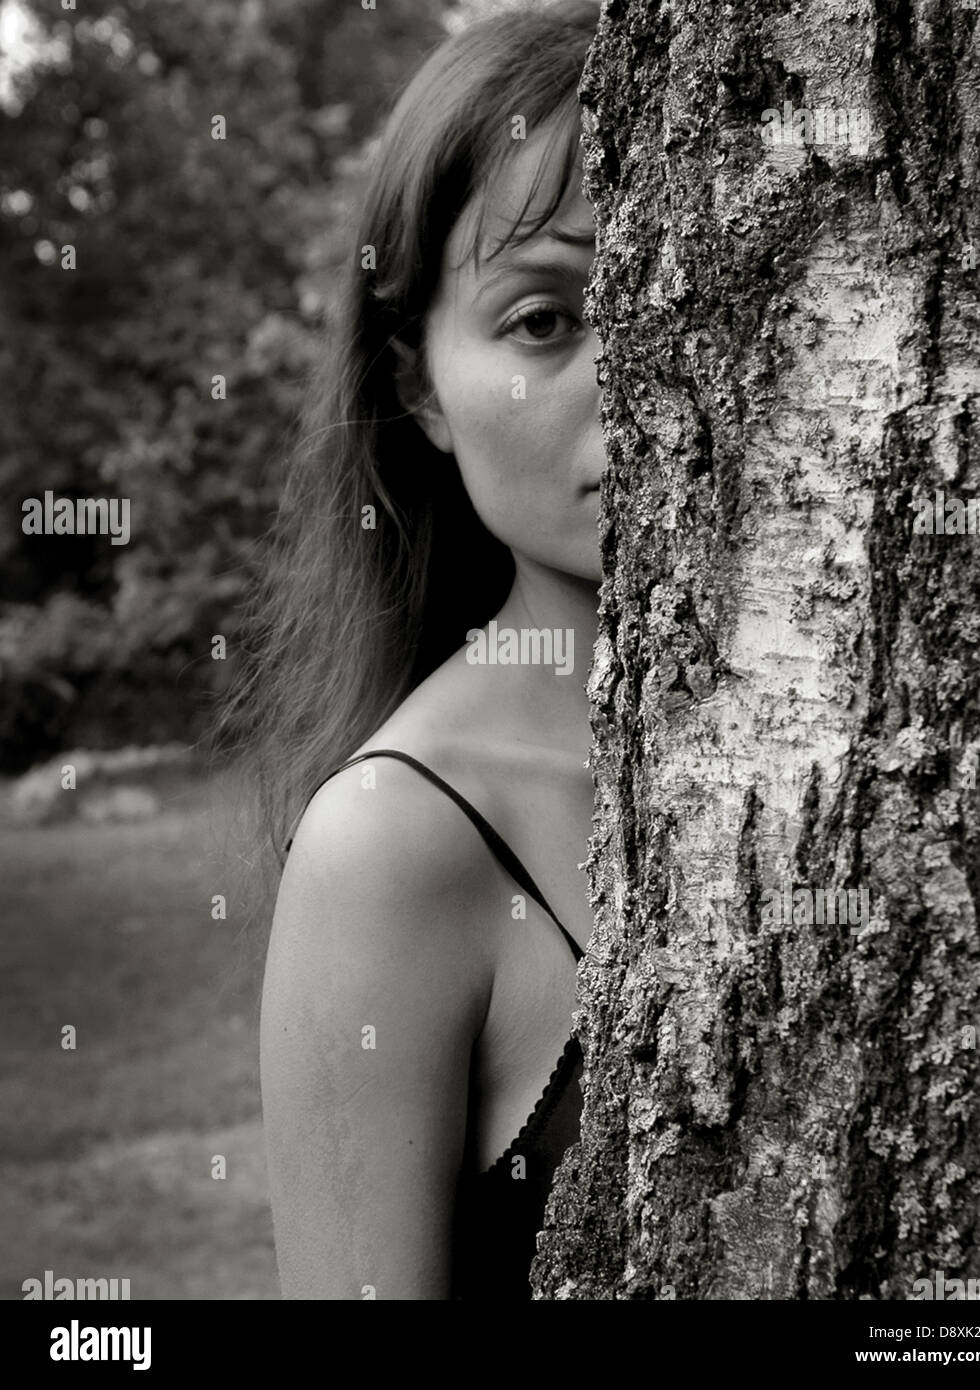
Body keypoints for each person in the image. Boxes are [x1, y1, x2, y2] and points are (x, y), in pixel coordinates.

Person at [254, 0, 605, 1300]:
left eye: (684, 284)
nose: (639, 368)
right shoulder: (395, 842)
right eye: (544, 320)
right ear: (419, 390)